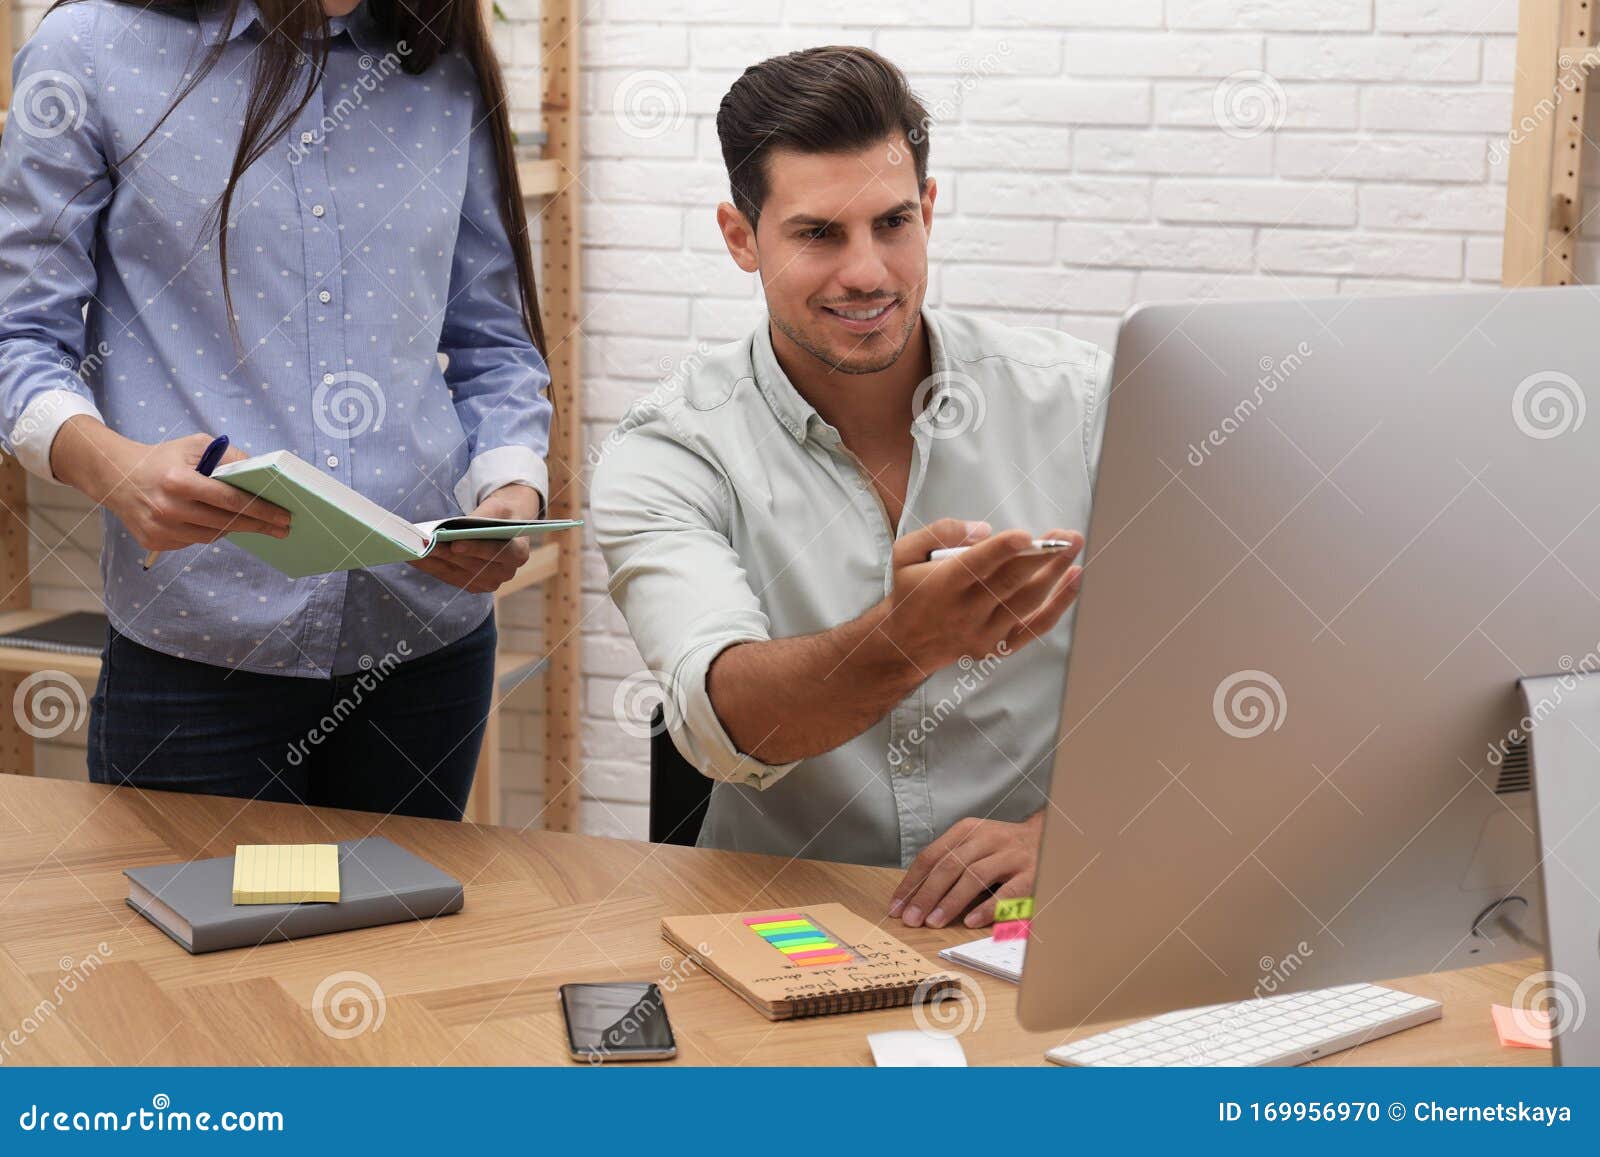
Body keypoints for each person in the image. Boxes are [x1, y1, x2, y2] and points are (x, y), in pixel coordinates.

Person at [592, 47, 1111, 929]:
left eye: (892, 223)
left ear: (930, 212)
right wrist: (906, 640)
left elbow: (1215, 670)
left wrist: (1075, 835)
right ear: (739, 237)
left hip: (1035, 913)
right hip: (783, 915)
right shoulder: (670, 449)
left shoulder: (1085, 403)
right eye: (818, 234)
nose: (867, 271)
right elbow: (718, 720)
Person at [0, 0, 551, 818]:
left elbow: (493, 340)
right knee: (200, 945)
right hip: (197, 647)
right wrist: (116, 470)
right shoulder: (89, 51)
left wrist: (512, 489)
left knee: (398, 947)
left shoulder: (441, 63)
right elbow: (18, 333)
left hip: (428, 647)